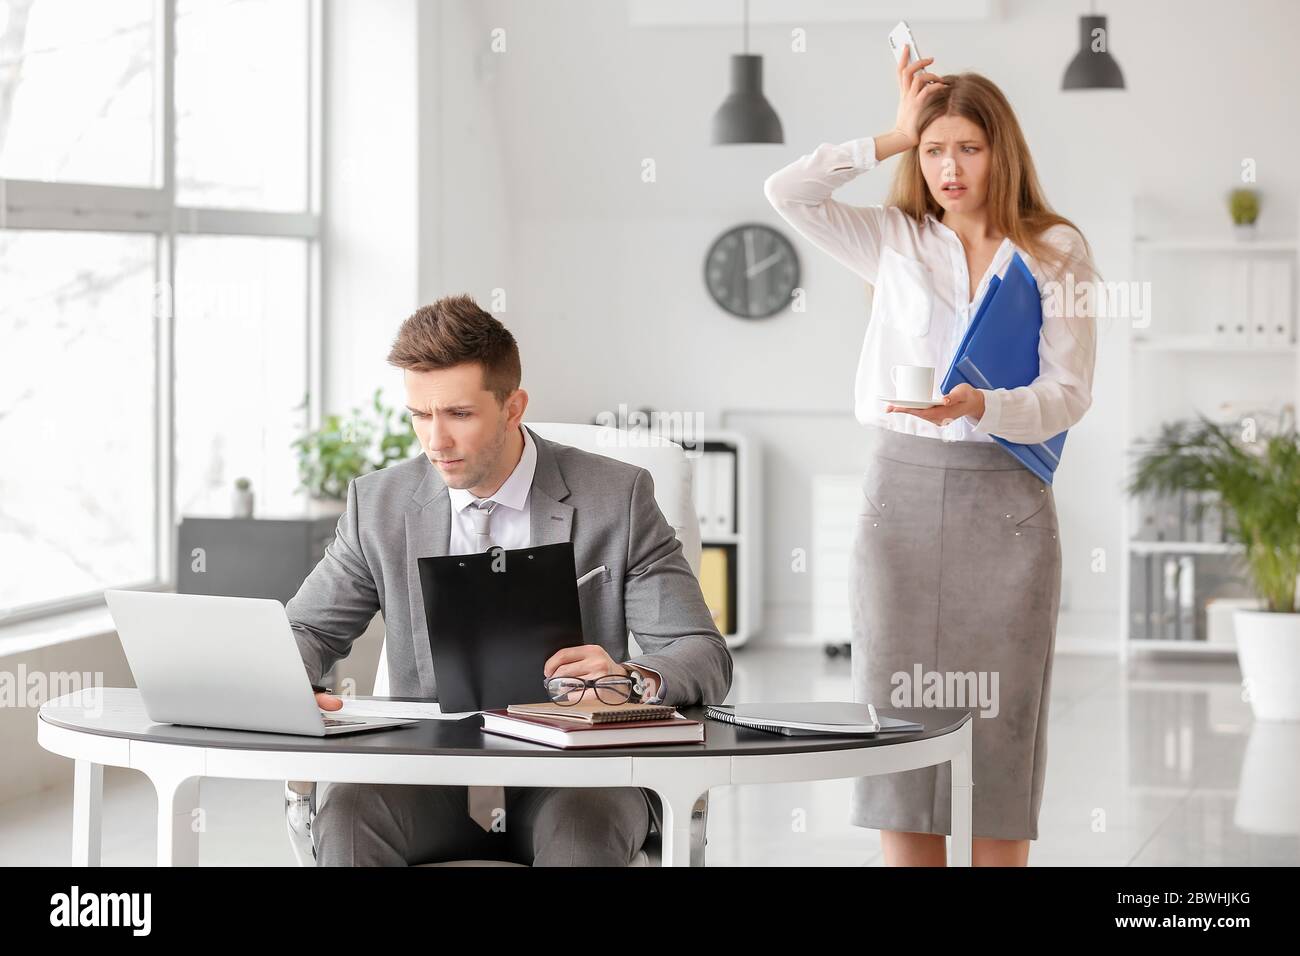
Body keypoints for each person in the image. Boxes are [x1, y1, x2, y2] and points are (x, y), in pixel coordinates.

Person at [764, 45, 1099, 866]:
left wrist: (986, 404)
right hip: (900, 500)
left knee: (1001, 717)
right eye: (935, 148)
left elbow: (1070, 393)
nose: (950, 167)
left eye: (969, 148)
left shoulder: (1055, 251)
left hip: (1008, 498)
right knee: (899, 716)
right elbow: (787, 191)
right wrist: (890, 133)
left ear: (1002, 153)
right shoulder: (893, 239)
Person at [286, 294, 732, 866]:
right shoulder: (378, 505)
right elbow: (307, 629)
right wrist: (285, 679)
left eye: (459, 414)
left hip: (575, 778)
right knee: (346, 815)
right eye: (420, 415)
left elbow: (701, 653)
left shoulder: (616, 498)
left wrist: (630, 677)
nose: (435, 441)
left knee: (580, 834)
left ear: (513, 406)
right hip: (427, 773)